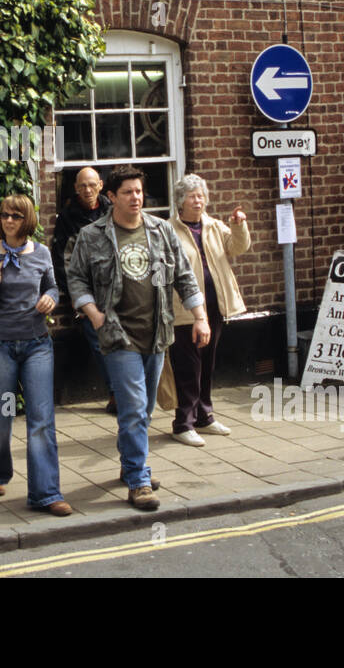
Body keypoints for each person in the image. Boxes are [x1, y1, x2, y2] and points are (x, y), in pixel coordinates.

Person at [67, 164, 210, 511]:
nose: (136, 198)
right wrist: (95, 314)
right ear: (111, 196)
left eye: (139, 191)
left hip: (157, 333)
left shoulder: (160, 231)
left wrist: (200, 317)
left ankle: (131, 463)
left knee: (144, 410)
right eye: (128, 192)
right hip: (118, 336)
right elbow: (76, 279)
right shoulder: (93, 235)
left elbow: (184, 276)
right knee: (131, 408)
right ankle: (138, 480)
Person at [0, 193, 72, 516]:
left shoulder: (41, 253)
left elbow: (52, 287)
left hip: (37, 344)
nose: (9, 221)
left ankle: (46, 493)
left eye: (16, 216)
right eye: (5, 215)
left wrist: (50, 298)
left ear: (28, 220)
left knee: (41, 420)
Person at [168, 174, 250, 445]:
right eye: (192, 196)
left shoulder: (214, 226)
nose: (198, 201)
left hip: (215, 306)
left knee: (207, 363)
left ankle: (204, 417)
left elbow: (238, 248)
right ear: (180, 201)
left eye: (201, 196)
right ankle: (183, 423)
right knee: (188, 366)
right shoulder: (169, 231)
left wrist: (238, 226)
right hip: (186, 311)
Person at [49, 166, 116, 413]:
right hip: (89, 292)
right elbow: (61, 259)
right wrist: (76, 295)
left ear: (100, 184)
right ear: (76, 189)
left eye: (91, 185)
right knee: (99, 342)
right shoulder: (68, 218)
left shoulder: (113, 210)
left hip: (117, 287)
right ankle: (116, 393)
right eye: (81, 186)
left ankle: (130, 391)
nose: (87, 190)